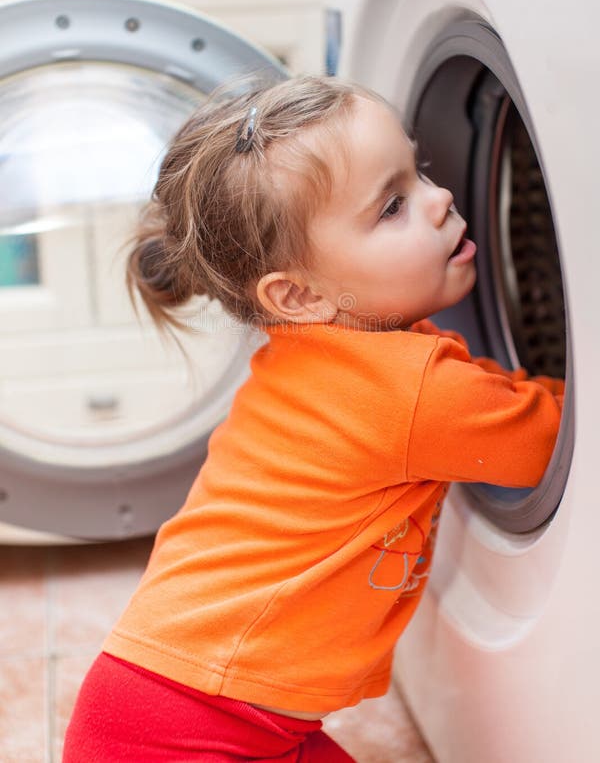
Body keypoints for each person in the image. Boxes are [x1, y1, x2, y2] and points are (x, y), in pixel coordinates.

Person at [63, 75, 564, 762]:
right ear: (298, 294)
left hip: (171, 704)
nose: (441, 196)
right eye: (392, 206)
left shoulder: (319, 359)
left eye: (416, 171)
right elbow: (561, 438)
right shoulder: (411, 393)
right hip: (188, 732)